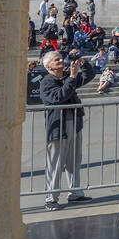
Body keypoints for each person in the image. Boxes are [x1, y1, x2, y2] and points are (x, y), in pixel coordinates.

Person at [38, 48, 95, 210]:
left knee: (74, 161)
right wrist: (71, 77)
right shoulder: (46, 82)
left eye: (61, 59)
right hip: (58, 128)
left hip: (74, 124)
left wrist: (80, 60)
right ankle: (51, 197)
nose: (62, 61)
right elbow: (58, 97)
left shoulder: (65, 78)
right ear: (48, 66)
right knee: (55, 163)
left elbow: (88, 76)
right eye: (57, 60)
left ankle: (75, 192)